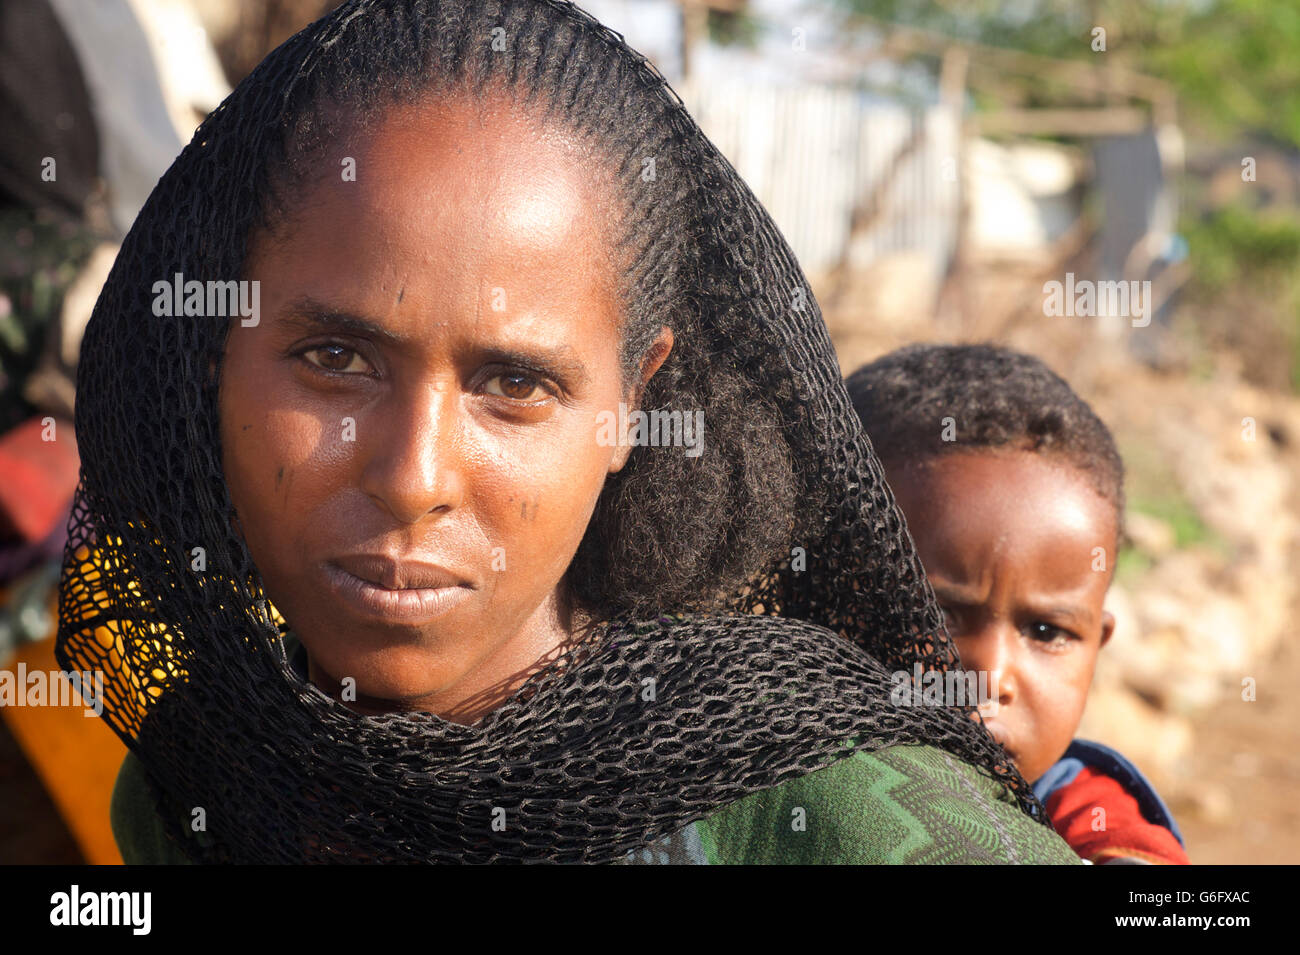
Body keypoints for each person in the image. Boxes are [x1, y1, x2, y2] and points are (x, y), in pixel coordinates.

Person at [57, 0, 1079, 864]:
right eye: (338, 360)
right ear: (212, 353)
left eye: (514, 383)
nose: (414, 476)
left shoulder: (838, 823)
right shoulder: (197, 781)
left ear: (631, 404)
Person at [846, 342, 1190, 865]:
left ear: (1098, 645)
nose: (993, 676)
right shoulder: (747, 758)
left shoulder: (1083, 813)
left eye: (1047, 632)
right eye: (938, 615)